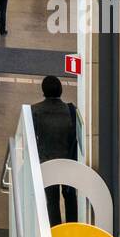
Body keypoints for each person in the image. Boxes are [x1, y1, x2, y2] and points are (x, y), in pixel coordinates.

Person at [31, 75, 78, 227]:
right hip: (68, 162)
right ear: (61, 90)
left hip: (47, 163)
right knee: (70, 198)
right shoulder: (71, 110)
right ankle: (73, 231)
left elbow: (31, 138)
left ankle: (55, 234)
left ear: (43, 91)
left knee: (52, 201)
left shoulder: (34, 110)